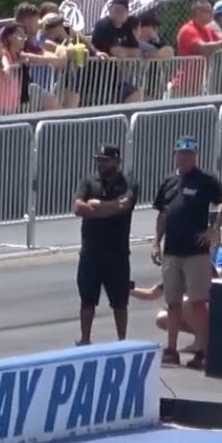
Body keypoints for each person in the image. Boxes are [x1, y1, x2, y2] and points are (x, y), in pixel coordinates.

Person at [152, 136, 222, 369]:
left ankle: (202, 350)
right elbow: (163, 213)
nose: (185, 157)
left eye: (189, 154)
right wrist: (157, 241)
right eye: (181, 153)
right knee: (173, 302)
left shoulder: (204, 180)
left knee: (197, 303)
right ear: (175, 154)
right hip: (172, 250)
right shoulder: (168, 181)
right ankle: (171, 349)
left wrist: (214, 229)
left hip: (196, 251)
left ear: (195, 156)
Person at [73, 144, 139, 346]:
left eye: (106, 160)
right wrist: (107, 208)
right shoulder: (89, 181)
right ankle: (85, 339)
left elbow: (124, 206)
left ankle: (121, 341)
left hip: (117, 252)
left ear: (116, 161)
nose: (101, 164)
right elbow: (78, 207)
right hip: (91, 251)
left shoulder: (127, 182)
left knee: (119, 301)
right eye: (99, 160)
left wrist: (96, 206)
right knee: (87, 299)